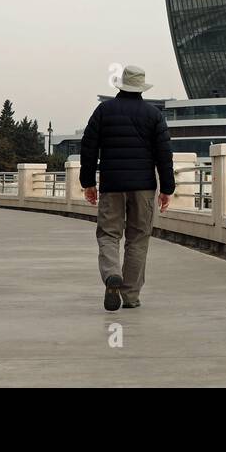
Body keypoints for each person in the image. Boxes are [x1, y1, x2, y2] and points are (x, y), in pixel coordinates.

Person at [79, 64, 175, 311]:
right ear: (141, 87)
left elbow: (88, 148)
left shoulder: (104, 110)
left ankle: (112, 273)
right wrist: (167, 188)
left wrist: (88, 182)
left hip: (112, 185)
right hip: (143, 187)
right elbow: (164, 155)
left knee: (108, 234)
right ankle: (130, 296)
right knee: (138, 238)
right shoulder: (153, 115)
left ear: (121, 85)